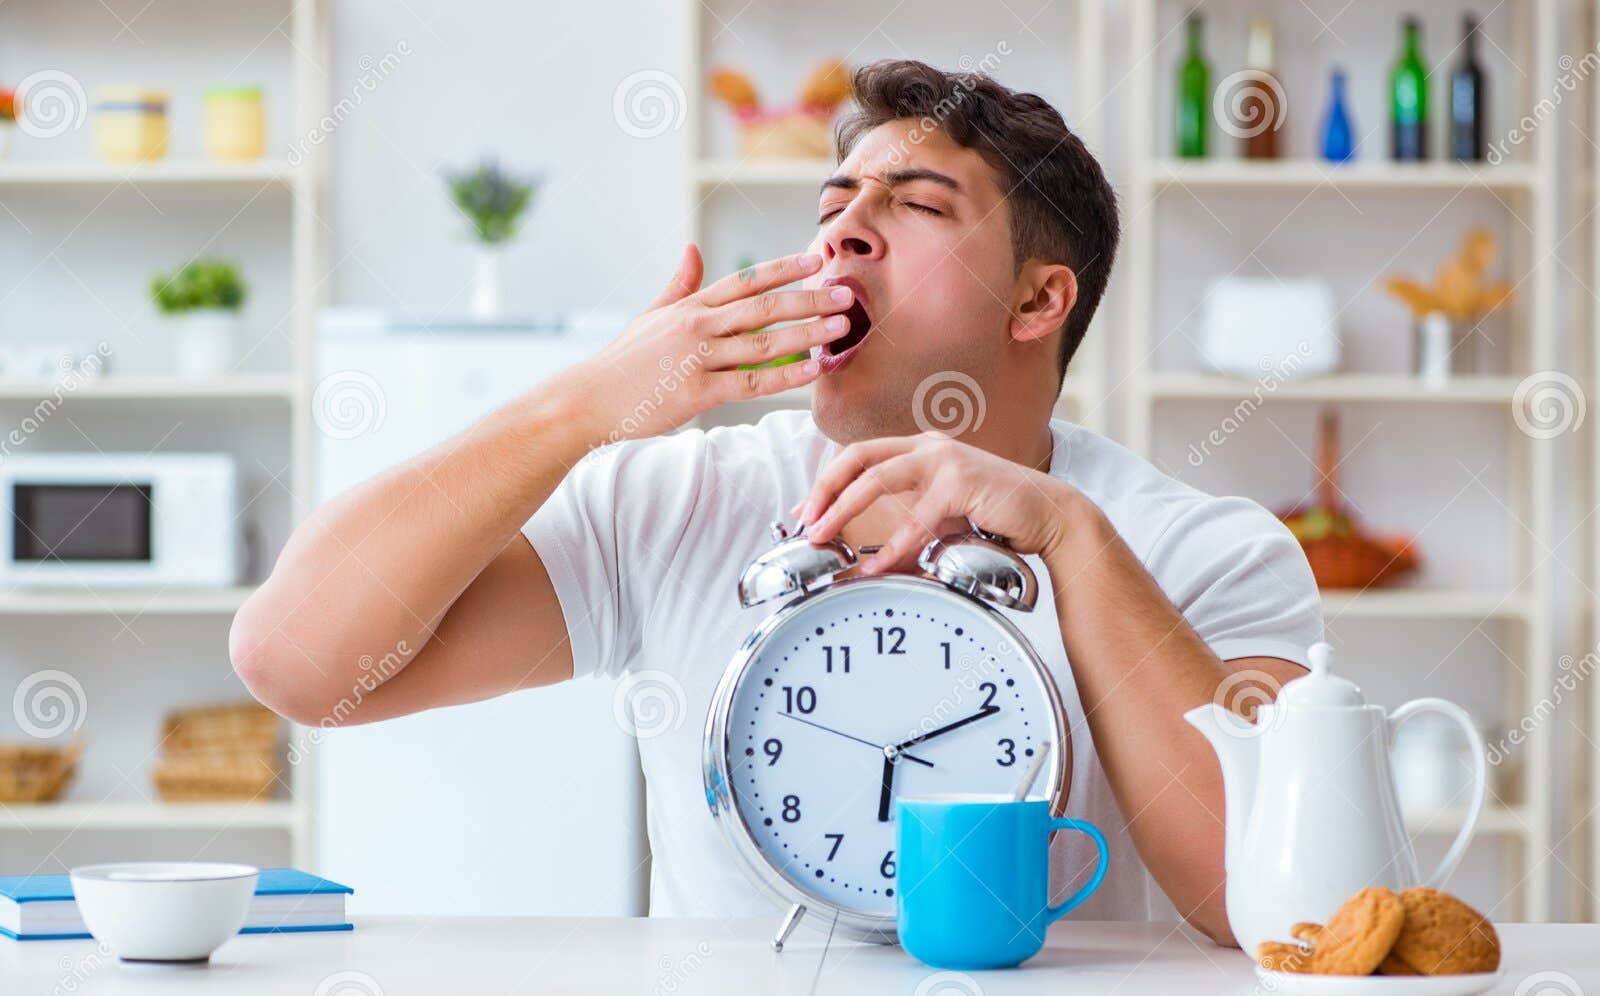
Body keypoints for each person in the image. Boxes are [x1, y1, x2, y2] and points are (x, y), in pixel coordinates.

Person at [231, 60, 1320, 946]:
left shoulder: (1204, 551)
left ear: (1039, 298)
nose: (841, 231)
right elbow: (296, 661)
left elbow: (1262, 905)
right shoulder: (676, 501)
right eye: (833, 205)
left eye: (917, 203)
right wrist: (581, 404)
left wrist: (1069, 536)